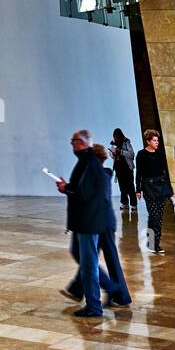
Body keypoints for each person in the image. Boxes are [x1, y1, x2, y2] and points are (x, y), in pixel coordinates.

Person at [62, 145, 132, 307]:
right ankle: (80, 289)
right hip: (101, 222)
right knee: (90, 256)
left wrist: (68, 189)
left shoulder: (99, 175)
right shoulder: (100, 174)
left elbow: (88, 197)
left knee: (91, 256)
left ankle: (115, 290)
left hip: (100, 223)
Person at [56, 129, 109, 319]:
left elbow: (84, 194)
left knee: (89, 265)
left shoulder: (89, 162)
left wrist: (66, 189)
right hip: (85, 221)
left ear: (84, 142)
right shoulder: (86, 161)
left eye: (74, 141)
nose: (72, 144)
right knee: (87, 262)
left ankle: (94, 306)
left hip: (88, 222)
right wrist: (68, 187)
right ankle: (94, 302)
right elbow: (82, 189)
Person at [136, 128, 172, 254]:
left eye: (158, 140)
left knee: (158, 218)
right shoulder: (141, 154)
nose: (157, 142)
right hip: (148, 189)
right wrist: (138, 189)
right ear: (148, 141)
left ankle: (154, 243)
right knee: (154, 216)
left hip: (162, 188)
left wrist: (170, 190)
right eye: (155, 140)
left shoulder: (161, 154)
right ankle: (152, 243)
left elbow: (165, 172)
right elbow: (138, 173)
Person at [110, 128, 137, 210]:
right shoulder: (113, 144)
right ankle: (124, 203)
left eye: (117, 136)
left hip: (128, 168)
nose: (116, 138)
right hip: (118, 168)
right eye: (114, 136)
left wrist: (121, 151)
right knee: (122, 187)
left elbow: (132, 155)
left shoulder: (127, 142)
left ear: (120, 135)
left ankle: (133, 204)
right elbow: (112, 156)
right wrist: (112, 154)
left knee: (130, 186)